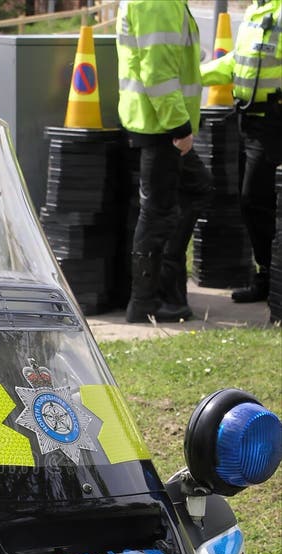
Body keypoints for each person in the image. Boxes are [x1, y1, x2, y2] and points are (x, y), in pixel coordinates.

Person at [116, 0, 213, 323]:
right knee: (158, 213)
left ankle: (166, 288)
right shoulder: (158, 3)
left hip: (158, 121)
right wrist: (179, 126)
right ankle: (145, 302)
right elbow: (157, 72)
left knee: (195, 189)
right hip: (161, 125)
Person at [201, 0, 282, 319]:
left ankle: (272, 278)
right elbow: (239, 62)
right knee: (254, 204)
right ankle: (268, 276)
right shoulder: (254, 12)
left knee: (256, 201)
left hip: (273, 123)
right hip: (248, 120)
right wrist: (193, 75)